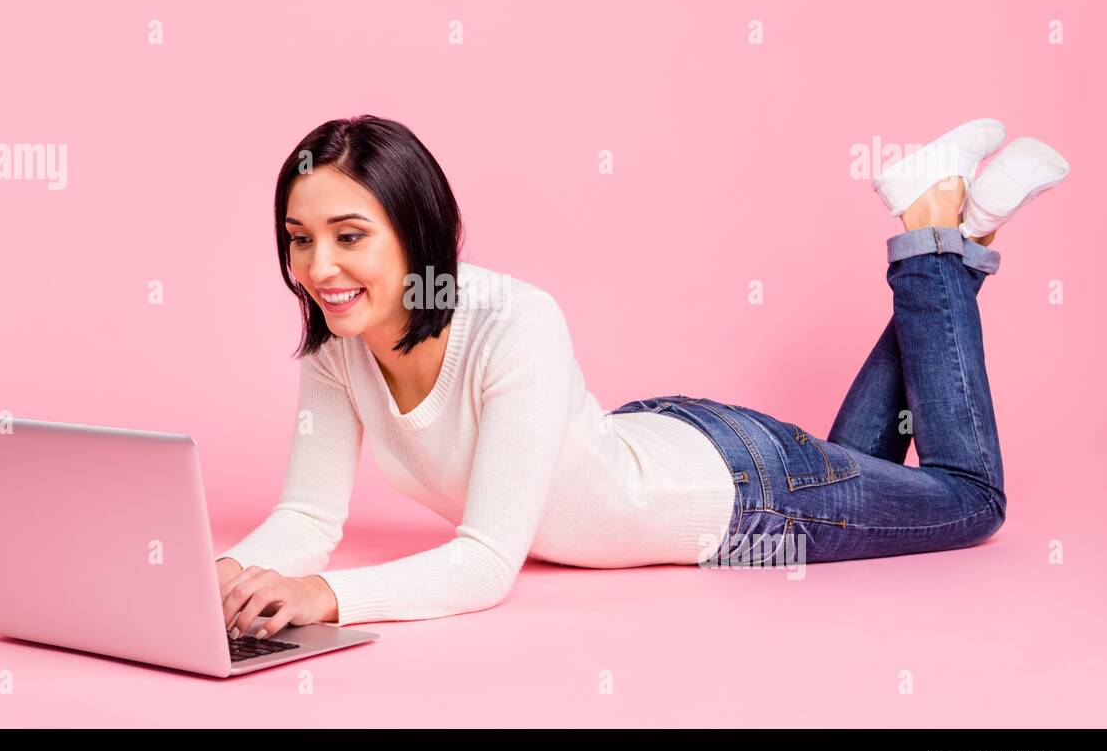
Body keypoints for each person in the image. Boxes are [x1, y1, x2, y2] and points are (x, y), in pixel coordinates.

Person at [214, 115, 1070, 641]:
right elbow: (307, 518)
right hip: (668, 442)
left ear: (416, 230)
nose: (318, 268)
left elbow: (484, 565)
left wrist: (322, 596)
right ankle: (957, 234)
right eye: (299, 239)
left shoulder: (514, 321)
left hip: (748, 499)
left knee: (970, 499)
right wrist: (216, 574)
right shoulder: (339, 343)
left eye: (349, 236)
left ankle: (936, 231)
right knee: (865, 468)